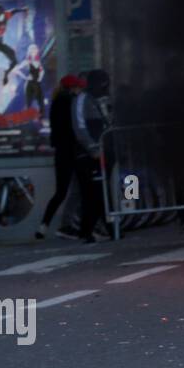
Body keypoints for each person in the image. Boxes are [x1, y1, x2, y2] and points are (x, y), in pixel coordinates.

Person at [35, 74, 86, 239]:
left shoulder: (57, 101)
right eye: (78, 87)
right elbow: (76, 127)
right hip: (73, 151)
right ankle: (76, 226)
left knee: (61, 192)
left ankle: (44, 226)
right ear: (72, 88)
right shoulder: (70, 102)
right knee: (84, 189)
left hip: (61, 152)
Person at [71, 69, 112, 243]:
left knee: (105, 190)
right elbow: (80, 127)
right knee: (93, 192)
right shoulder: (82, 100)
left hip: (107, 152)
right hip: (89, 155)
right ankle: (90, 229)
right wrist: (92, 149)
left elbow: (110, 122)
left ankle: (110, 226)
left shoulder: (103, 100)